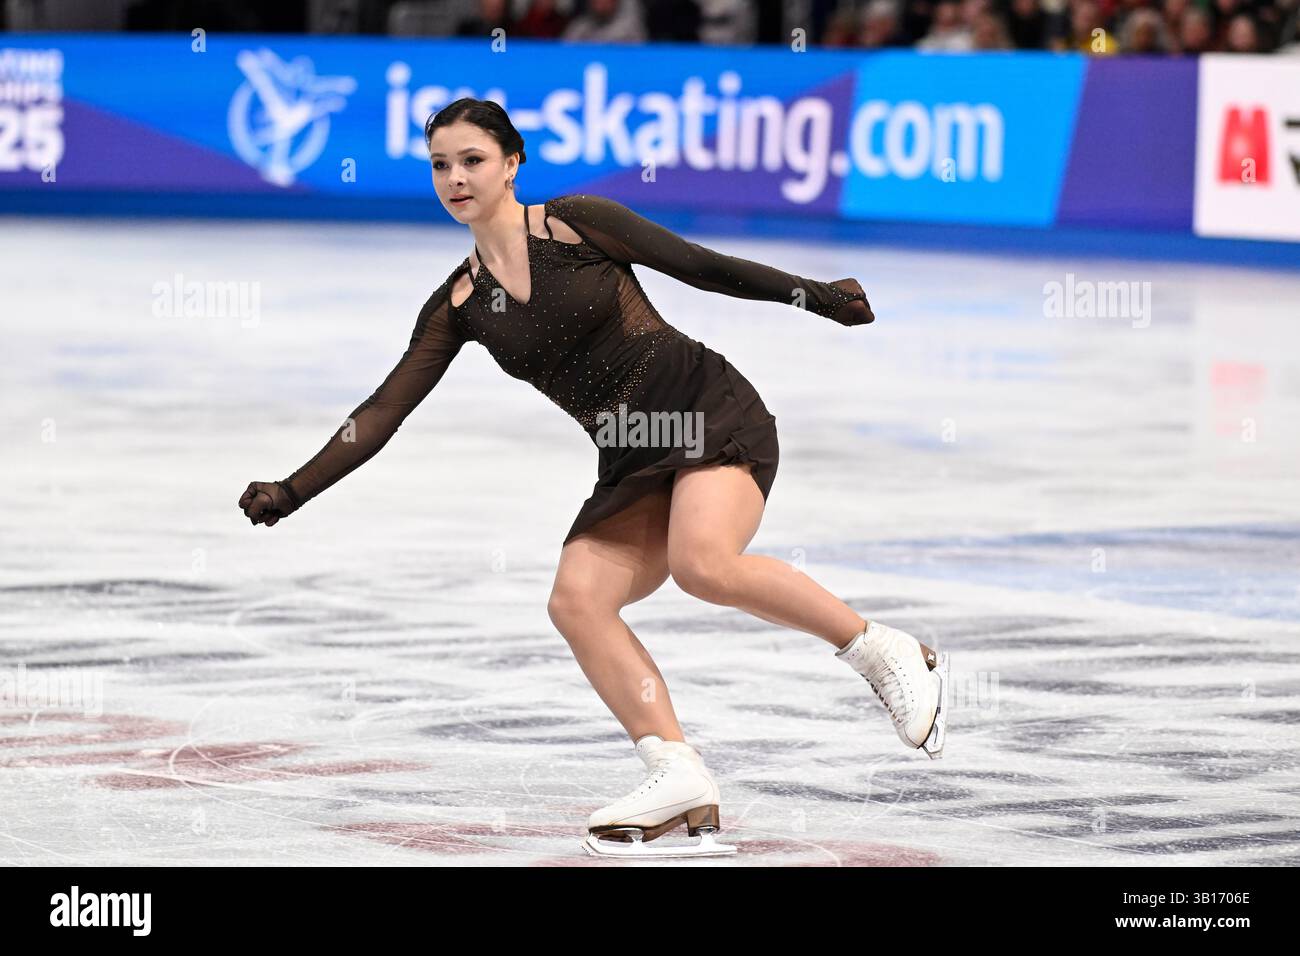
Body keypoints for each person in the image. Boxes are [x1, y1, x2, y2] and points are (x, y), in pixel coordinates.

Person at [237, 98, 949, 858]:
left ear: (511, 163)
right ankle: (678, 772)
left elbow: (704, 267)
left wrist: (819, 296)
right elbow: (382, 410)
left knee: (702, 564)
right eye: (440, 165)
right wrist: (293, 489)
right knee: (577, 599)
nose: (455, 177)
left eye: (472, 160)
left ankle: (882, 650)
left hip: (704, 408)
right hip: (630, 454)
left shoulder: (577, 223)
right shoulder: (461, 303)